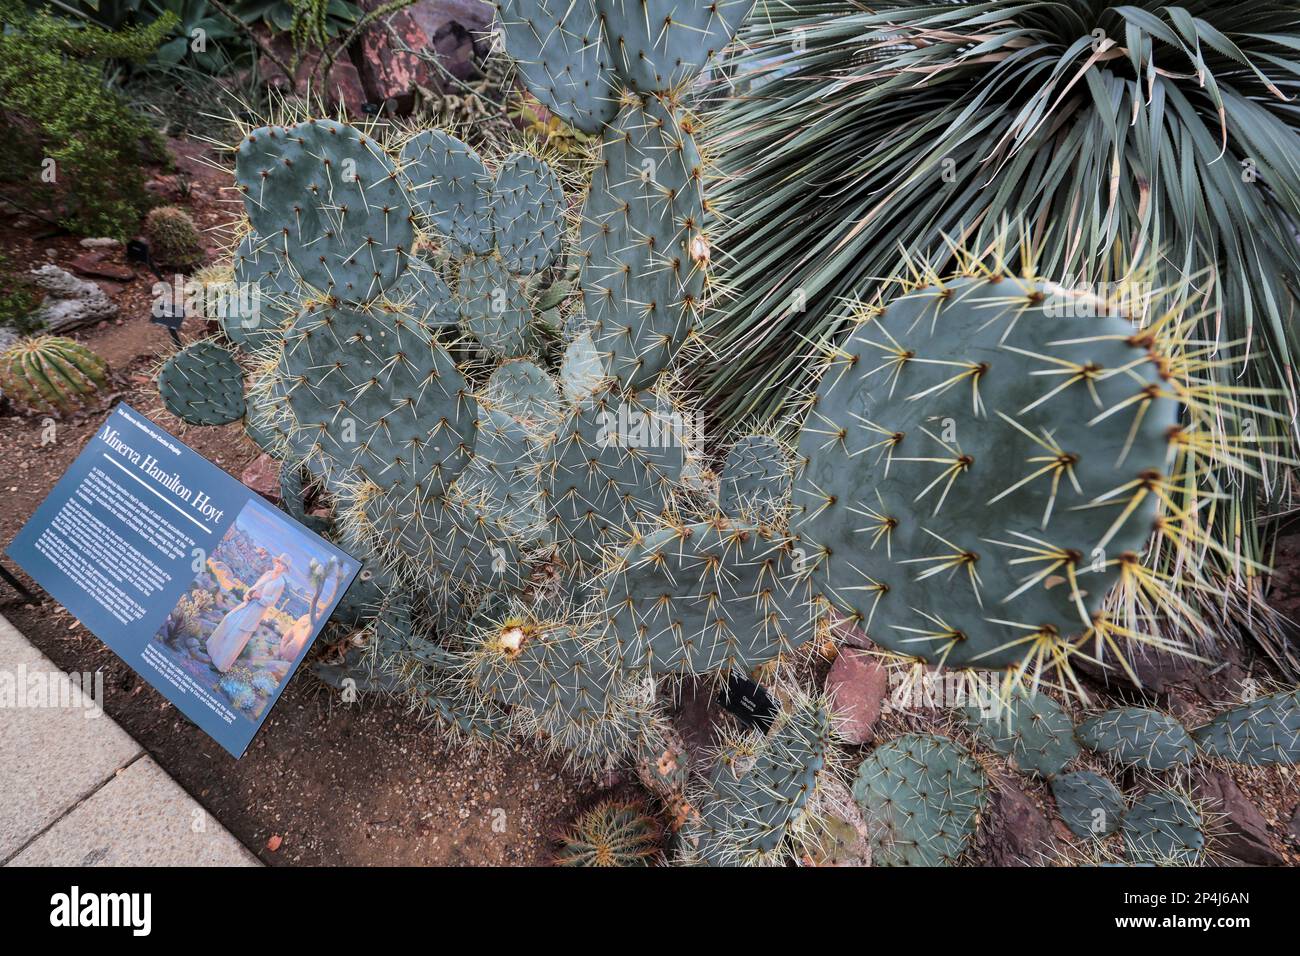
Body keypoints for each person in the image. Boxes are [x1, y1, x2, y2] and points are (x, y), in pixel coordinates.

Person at [207, 553, 290, 673]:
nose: (279, 565)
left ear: (285, 569)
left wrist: (260, 597)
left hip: (256, 611)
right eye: (279, 562)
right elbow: (254, 586)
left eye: (282, 564)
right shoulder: (268, 574)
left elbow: (272, 601)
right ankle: (211, 650)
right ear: (276, 562)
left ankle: (220, 665)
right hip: (248, 604)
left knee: (236, 637)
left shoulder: (280, 583)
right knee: (228, 621)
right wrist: (250, 594)